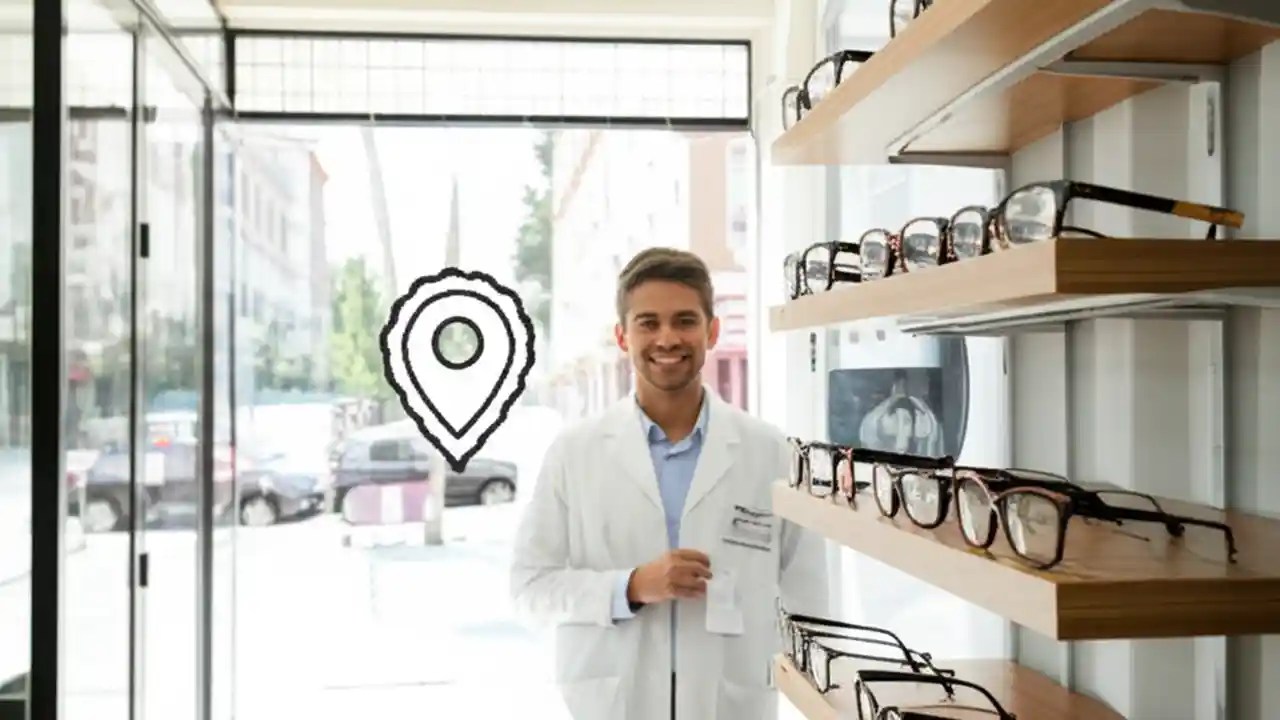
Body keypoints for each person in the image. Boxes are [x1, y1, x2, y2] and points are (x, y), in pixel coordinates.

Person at [510, 247, 829, 719]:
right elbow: (530, 588)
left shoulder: (771, 453)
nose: (667, 338)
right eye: (648, 322)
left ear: (712, 331)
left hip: (732, 700)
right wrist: (631, 587)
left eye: (685, 321)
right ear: (622, 336)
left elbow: (810, 601)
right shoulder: (573, 455)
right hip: (613, 700)